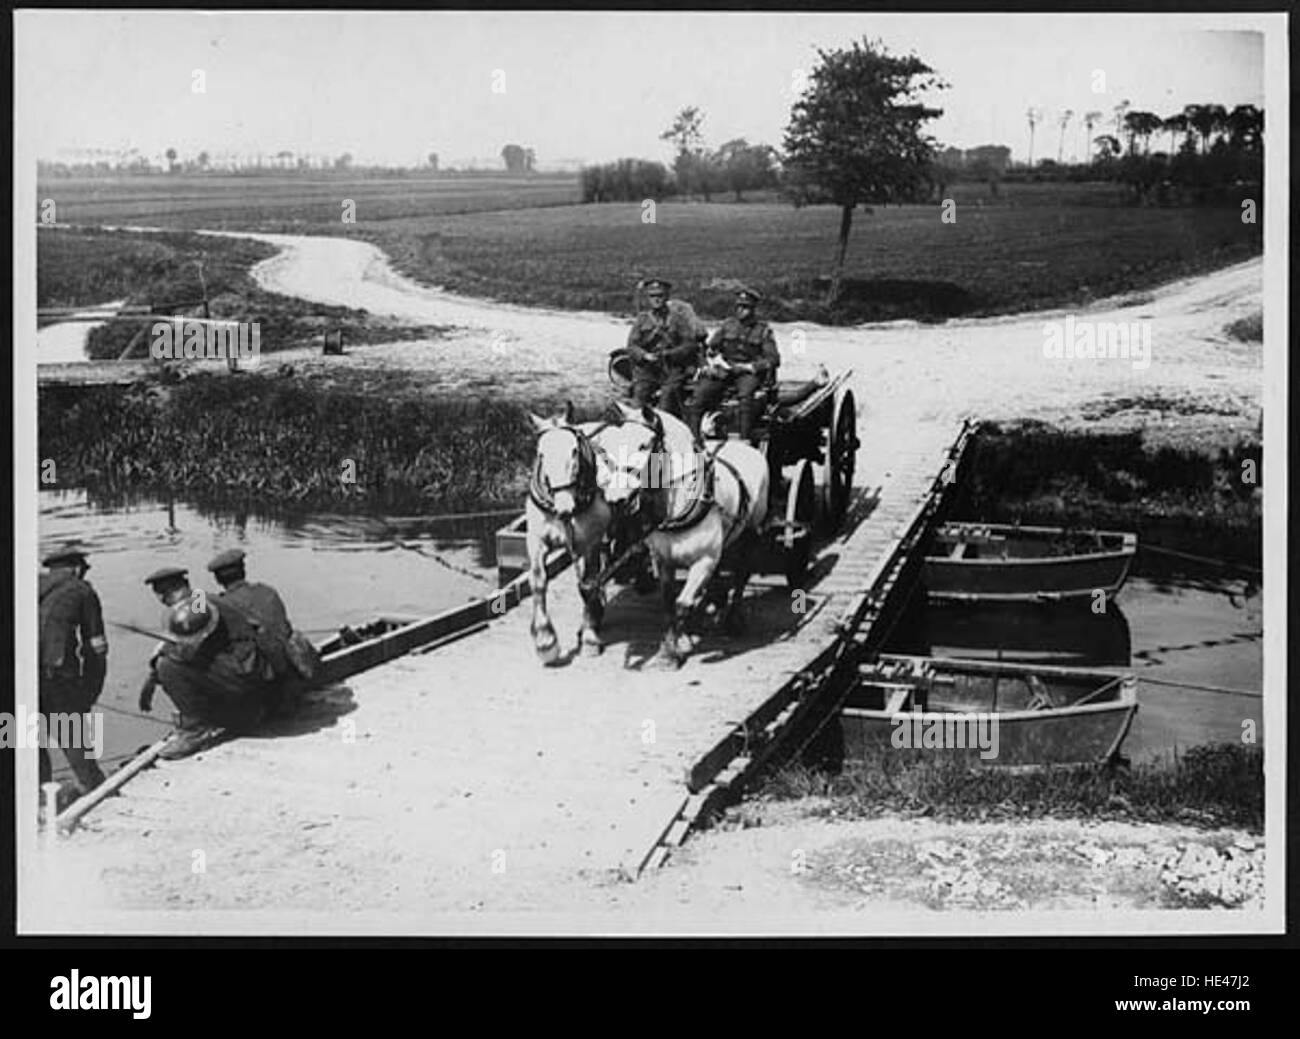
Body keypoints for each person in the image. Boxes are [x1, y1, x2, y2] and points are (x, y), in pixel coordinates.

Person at [137, 566, 278, 760]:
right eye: (161, 594)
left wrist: (152, 675)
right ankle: (209, 718)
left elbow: (184, 651)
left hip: (248, 682)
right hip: (251, 679)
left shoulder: (198, 605)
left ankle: (194, 731)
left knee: (167, 667)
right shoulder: (204, 599)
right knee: (171, 663)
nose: (165, 600)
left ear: (183, 586)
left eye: (168, 593)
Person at [38, 546, 108, 791]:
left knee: (20, 743)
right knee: (74, 739)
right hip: (58, 677)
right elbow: (96, 648)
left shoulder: (26, 586)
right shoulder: (82, 590)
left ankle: (37, 800)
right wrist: (90, 691)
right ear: (77, 569)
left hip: (20, 677)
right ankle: (96, 790)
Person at [687, 287, 781, 444]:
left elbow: (773, 360)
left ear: (752, 309)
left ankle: (744, 438)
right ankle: (694, 438)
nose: (741, 310)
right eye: (739, 306)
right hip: (726, 370)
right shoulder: (728, 326)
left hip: (747, 373)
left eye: (745, 307)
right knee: (700, 394)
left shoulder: (762, 330)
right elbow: (711, 348)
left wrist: (750, 367)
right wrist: (710, 361)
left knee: (745, 396)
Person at [624, 278, 704, 419]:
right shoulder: (642, 319)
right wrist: (644, 355)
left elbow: (689, 345)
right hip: (649, 369)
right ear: (648, 298)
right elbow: (632, 346)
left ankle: (664, 431)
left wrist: (668, 354)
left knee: (667, 399)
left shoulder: (677, 319)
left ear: (666, 297)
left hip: (671, 369)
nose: (656, 300)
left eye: (660, 296)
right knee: (638, 398)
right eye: (652, 296)